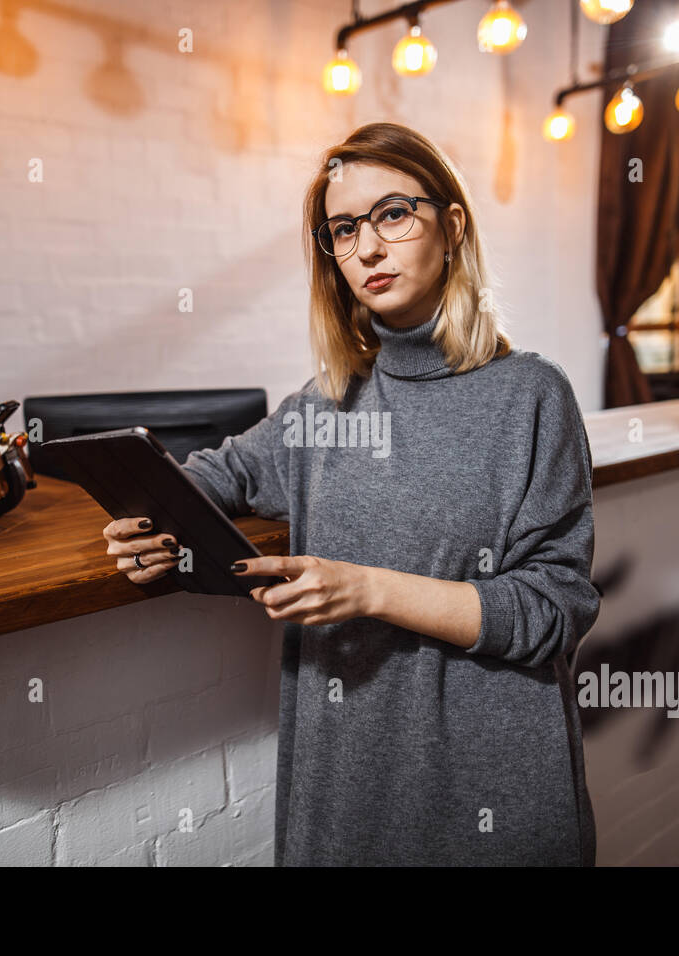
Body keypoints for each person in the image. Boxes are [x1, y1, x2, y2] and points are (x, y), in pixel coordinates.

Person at [102, 122, 600, 866]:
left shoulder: (530, 394)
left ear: (452, 225)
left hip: (491, 785)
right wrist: (151, 519)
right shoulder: (324, 405)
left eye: (393, 214)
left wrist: (367, 590)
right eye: (343, 229)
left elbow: (554, 609)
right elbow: (224, 472)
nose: (367, 248)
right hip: (345, 786)